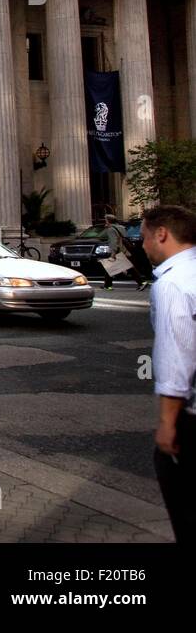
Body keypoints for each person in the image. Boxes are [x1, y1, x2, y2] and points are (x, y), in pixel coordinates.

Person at [140, 205, 196, 542]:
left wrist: (167, 422)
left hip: (192, 418)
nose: (143, 245)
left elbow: (177, 358)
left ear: (162, 234)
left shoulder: (172, 284)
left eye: (145, 237)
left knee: (187, 512)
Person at [102, 212, 147, 290]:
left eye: (105, 220)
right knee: (111, 267)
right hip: (124, 250)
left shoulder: (111, 230)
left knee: (127, 268)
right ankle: (107, 285)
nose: (105, 221)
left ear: (108, 220)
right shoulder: (121, 228)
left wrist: (113, 254)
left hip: (117, 252)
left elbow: (114, 242)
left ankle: (141, 282)